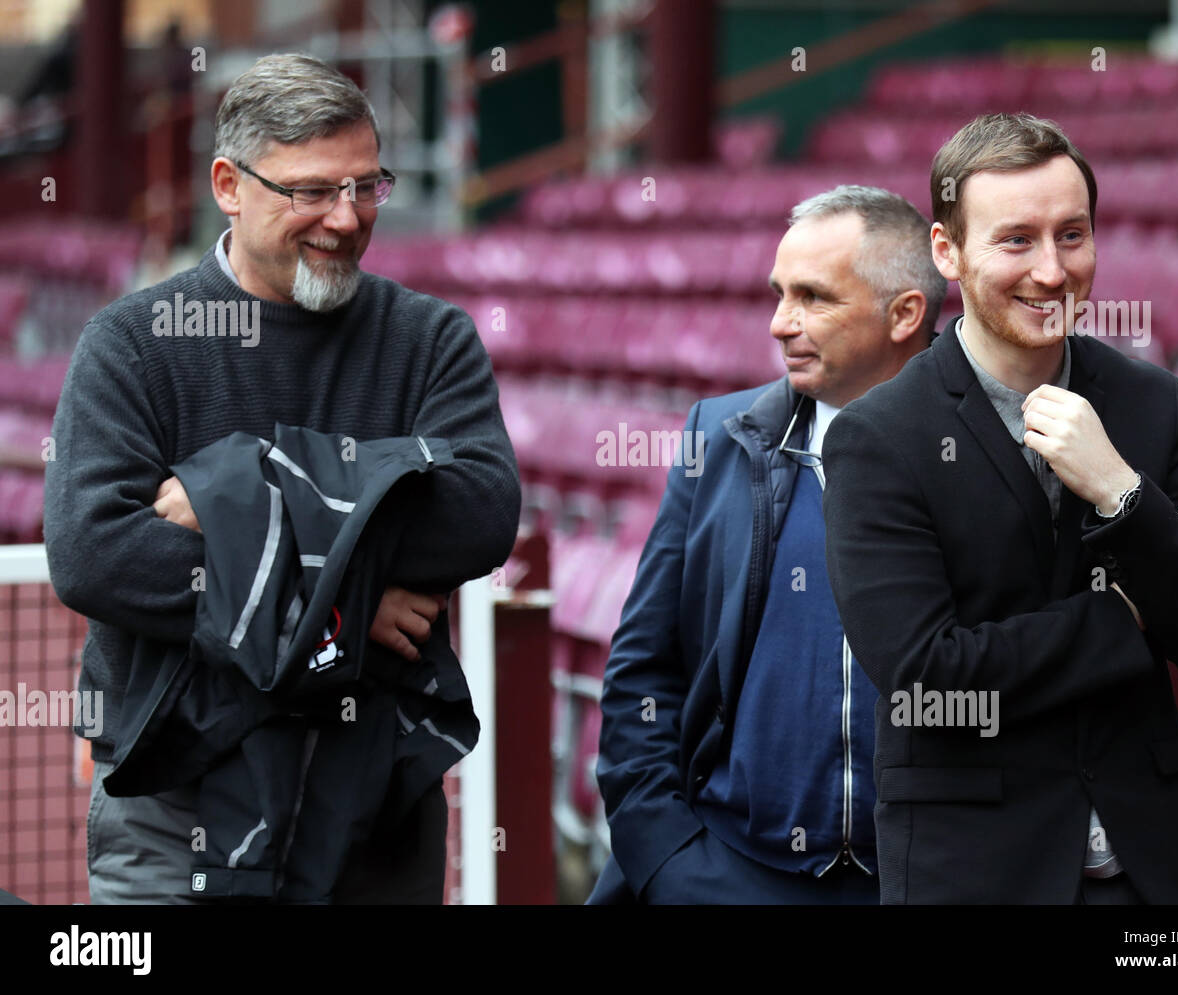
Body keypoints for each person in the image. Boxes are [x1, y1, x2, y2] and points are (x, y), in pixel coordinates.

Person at [43, 53, 519, 904]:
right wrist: (344, 607)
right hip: (171, 791)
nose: (346, 217)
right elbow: (95, 554)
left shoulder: (432, 340)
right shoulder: (131, 343)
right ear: (229, 183)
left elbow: (479, 513)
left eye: (367, 186)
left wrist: (231, 498)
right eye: (311, 191)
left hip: (375, 789)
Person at [822, 112, 1178, 905]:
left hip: (1155, 875)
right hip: (980, 873)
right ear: (946, 252)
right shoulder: (878, 439)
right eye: (1016, 240)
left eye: (1073, 235)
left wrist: (1123, 493)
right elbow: (929, 682)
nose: (1053, 272)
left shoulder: (1152, 403)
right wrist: (1123, 615)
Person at [589, 186, 948, 904]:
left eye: (813, 298)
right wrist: (669, 863)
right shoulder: (718, 438)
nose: (782, 323)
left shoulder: (984, 451)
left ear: (905, 313)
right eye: (779, 294)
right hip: (730, 874)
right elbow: (642, 674)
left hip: (925, 879)